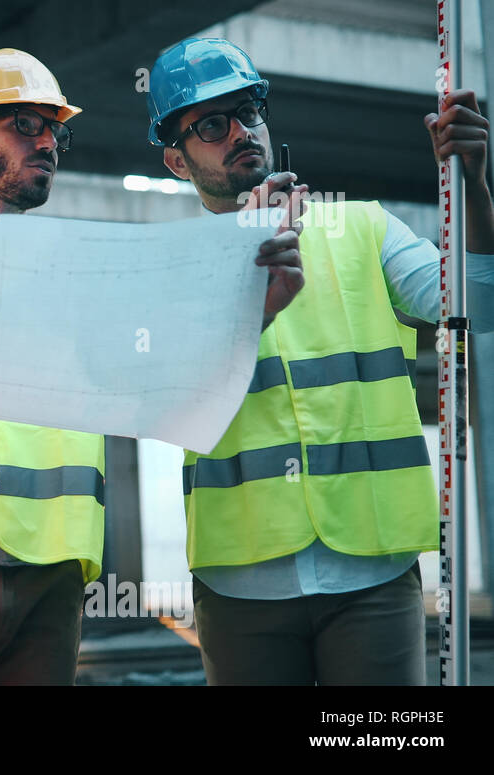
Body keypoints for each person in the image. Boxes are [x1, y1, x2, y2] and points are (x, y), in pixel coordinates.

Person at [0, 48, 302, 685]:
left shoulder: (86, 272)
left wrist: (256, 309)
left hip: (50, 587)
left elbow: (169, 381)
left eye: (54, 131)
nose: (47, 144)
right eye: (25, 126)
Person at [146, 37, 494, 685]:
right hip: (241, 580)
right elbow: (161, 399)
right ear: (175, 159)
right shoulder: (165, 269)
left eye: (247, 112)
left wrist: (474, 188)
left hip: (373, 570)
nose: (239, 132)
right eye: (212, 126)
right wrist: (248, 294)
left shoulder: (364, 228)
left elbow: (481, 300)